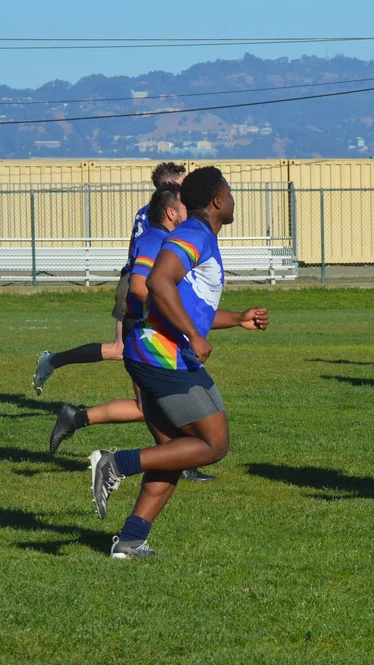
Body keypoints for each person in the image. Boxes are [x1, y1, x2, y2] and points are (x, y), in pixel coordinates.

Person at [87, 166, 269, 559]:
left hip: (158, 354)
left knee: (174, 452)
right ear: (218, 201)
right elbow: (157, 283)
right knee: (213, 443)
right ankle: (115, 463)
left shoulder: (202, 236)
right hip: (162, 357)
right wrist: (194, 335)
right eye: (230, 192)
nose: (234, 198)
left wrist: (236, 319)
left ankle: (131, 541)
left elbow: (190, 306)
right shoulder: (194, 233)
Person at [48, 182, 215, 482]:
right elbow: (140, 287)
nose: (190, 208)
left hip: (148, 337)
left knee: (150, 408)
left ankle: (173, 460)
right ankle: (143, 457)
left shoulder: (163, 236)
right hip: (147, 340)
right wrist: (168, 312)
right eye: (184, 202)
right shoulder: (157, 239)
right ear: (171, 211)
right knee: (154, 407)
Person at [32, 162, 187, 394]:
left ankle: (53, 360)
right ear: (168, 185)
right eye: (184, 184)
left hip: (141, 279)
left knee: (120, 349)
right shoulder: (156, 215)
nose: (188, 191)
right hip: (138, 282)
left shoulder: (152, 211)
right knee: (125, 351)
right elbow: (148, 255)